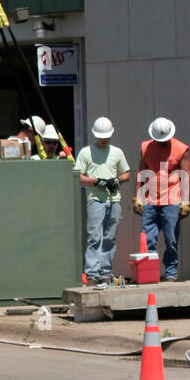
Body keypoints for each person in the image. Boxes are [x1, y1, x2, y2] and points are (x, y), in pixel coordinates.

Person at [75, 116, 130, 285]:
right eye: (101, 136)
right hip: (95, 200)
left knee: (110, 236)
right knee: (94, 237)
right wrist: (95, 181)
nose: (103, 139)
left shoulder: (117, 152)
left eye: (106, 136)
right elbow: (78, 176)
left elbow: (126, 173)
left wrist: (117, 180)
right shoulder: (86, 152)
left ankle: (105, 271)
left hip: (114, 199)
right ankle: (92, 273)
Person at [134, 117, 190, 282]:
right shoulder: (146, 147)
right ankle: (149, 272)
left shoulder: (181, 149)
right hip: (150, 199)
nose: (162, 143)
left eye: (165, 141)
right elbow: (141, 171)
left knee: (171, 239)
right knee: (147, 239)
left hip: (172, 200)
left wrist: (185, 200)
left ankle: (170, 272)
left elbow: (186, 176)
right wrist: (138, 196)